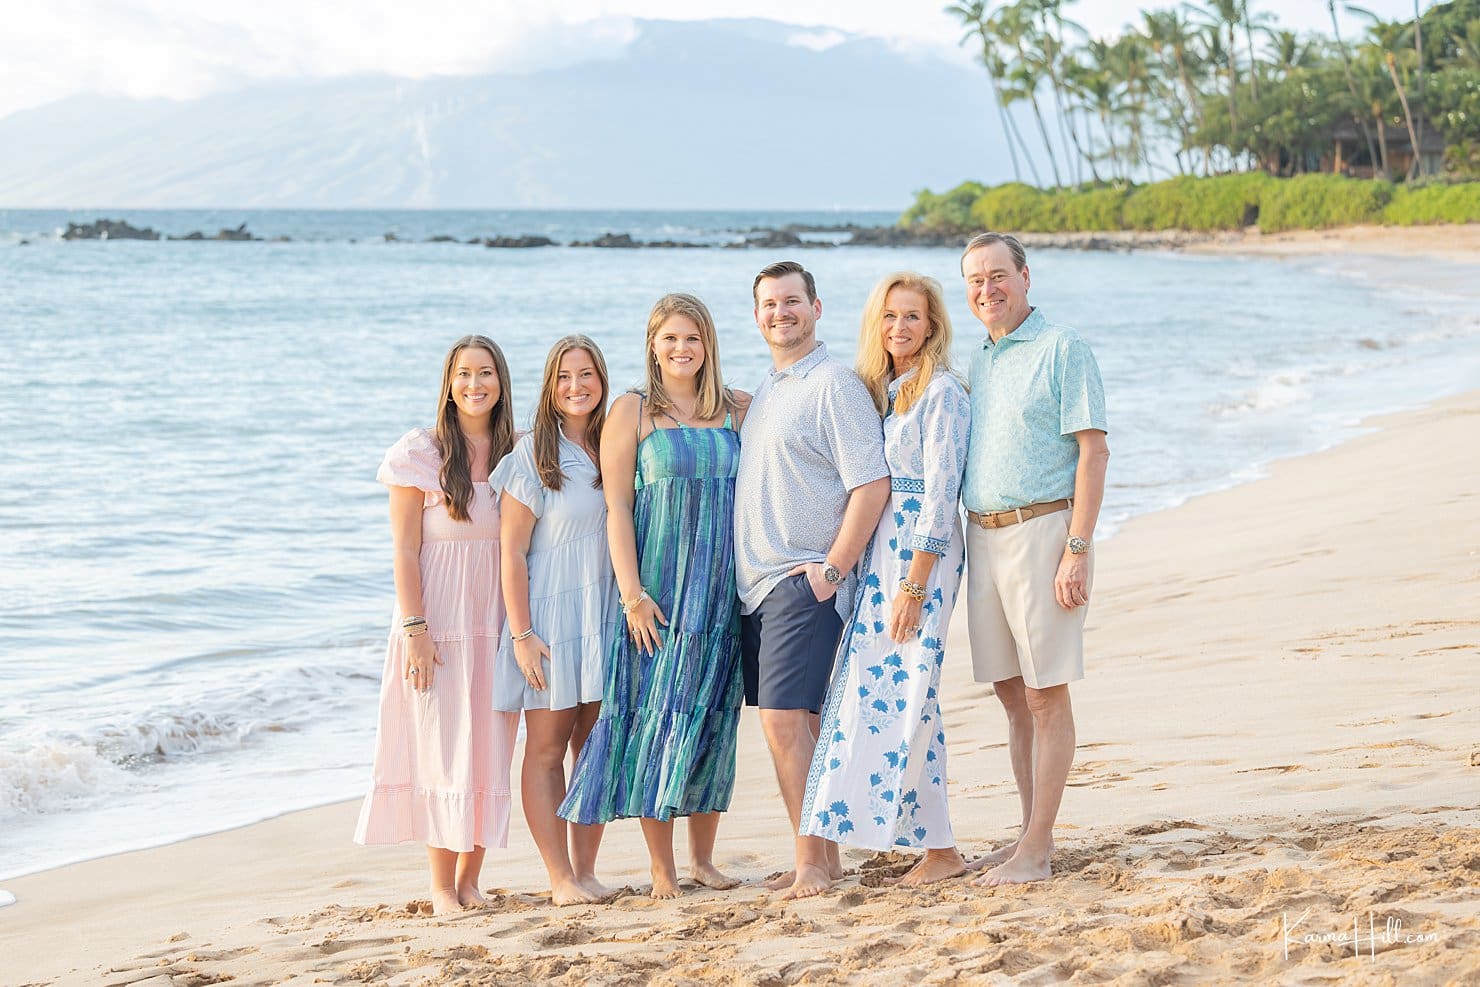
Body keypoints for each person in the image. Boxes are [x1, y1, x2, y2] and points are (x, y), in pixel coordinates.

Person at [560, 293, 750, 899]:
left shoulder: (735, 410)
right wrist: (632, 594)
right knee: (657, 721)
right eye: (669, 338)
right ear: (651, 345)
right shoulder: (633, 410)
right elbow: (615, 506)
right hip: (659, 596)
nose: (680, 349)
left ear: (708, 345)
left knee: (712, 721)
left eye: (691, 338)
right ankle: (662, 868)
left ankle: (703, 859)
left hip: (721, 592)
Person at [799, 272, 970, 886]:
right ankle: (936, 847)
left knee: (913, 689)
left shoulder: (942, 392)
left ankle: (941, 851)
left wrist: (915, 584)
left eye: (913, 317)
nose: (901, 327)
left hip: (921, 559)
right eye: (890, 317)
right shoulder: (887, 391)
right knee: (898, 696)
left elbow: (941, 495)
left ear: (933, 325)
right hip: (881, 560)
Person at [735, 260, 891, 900]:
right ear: (756, 316)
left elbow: (872, 481)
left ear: (817, 308)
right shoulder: (771, 389)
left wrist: (832, 569)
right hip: (759, 586)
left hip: (803, 580)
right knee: (801, 720)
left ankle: (810, 864)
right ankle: (820, 860)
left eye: (792, 302)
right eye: (769, 305)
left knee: (781, 722)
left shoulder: (834, 384)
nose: (781, 313)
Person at [957, 232, 1109, 886]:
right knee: (1011, 692)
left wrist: (1077, 548)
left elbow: (1093, 452)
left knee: (1046, 693)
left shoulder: (1062, 348)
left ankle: (1039, 849)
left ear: (1025, 277)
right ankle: (1026, 834)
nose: (986, 289)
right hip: (982, 536)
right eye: (973, 280)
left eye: (997, 275)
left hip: (1045, 533)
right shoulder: (982, 358)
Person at [354, 334, 522, 915]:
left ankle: (473, 880)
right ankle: (441, 886)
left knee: (490, 749)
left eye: (486, 374)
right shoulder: (420, 453)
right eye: (464, 374)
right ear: (448, 386)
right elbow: (404, 551)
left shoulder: (517, 454)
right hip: (437, 627)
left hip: (497, 627)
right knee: (441, 748)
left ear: (502, 384)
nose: (475, 385)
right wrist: (416, 630)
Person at [493, 334, 619, 906]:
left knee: (594, 745)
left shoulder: (618, 443)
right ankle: (558, 877)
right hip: (548, 618)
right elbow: (511, 552)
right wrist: (521, 636)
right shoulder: (531, 457)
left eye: (587, 374)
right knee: (547, 748)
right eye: (565, 376)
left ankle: (586, 870)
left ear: (602, 380)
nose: (577, 386)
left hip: (607, 616)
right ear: (549, 386)